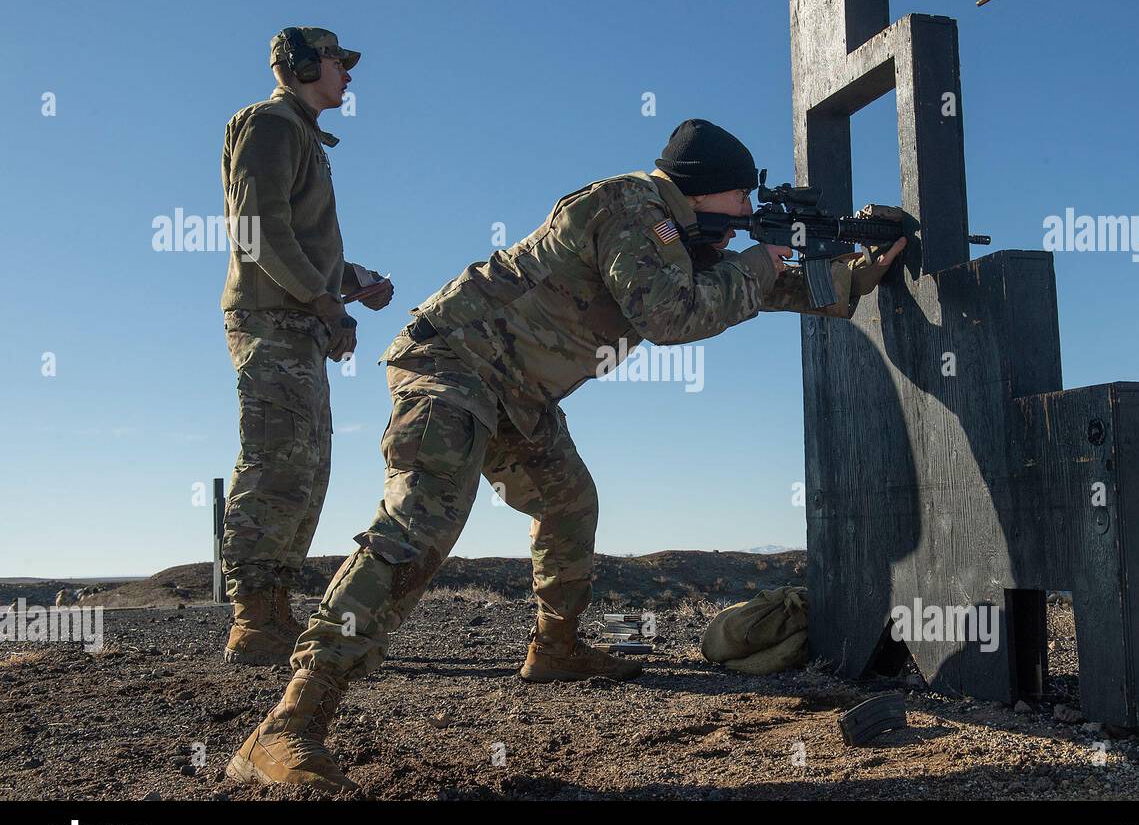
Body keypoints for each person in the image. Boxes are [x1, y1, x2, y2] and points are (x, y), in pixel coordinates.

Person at [226, 118, 905, 790]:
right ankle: (289, 723)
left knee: (568, 500)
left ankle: (556, 647)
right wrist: (761, 261)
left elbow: (736, 290)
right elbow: (672, 316)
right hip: (453, 365)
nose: (748, 212)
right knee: (419, 526)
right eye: (740, 199)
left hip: (516, 390)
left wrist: (853, 275)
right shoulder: (631, 210)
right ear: (703, 192)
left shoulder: (674, 231)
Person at [219, 27, 395, 666]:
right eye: (337, 61)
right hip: (273, 318)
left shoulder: (302, 134)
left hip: (297, 321)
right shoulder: (271, 124)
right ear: (299, 66)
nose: (348, 73)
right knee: (275, 460)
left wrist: (351, 283)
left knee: (306, 465)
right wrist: (321, 300)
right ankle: (252, 618)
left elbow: (300, 237)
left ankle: (275, 610)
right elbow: (255, 230)